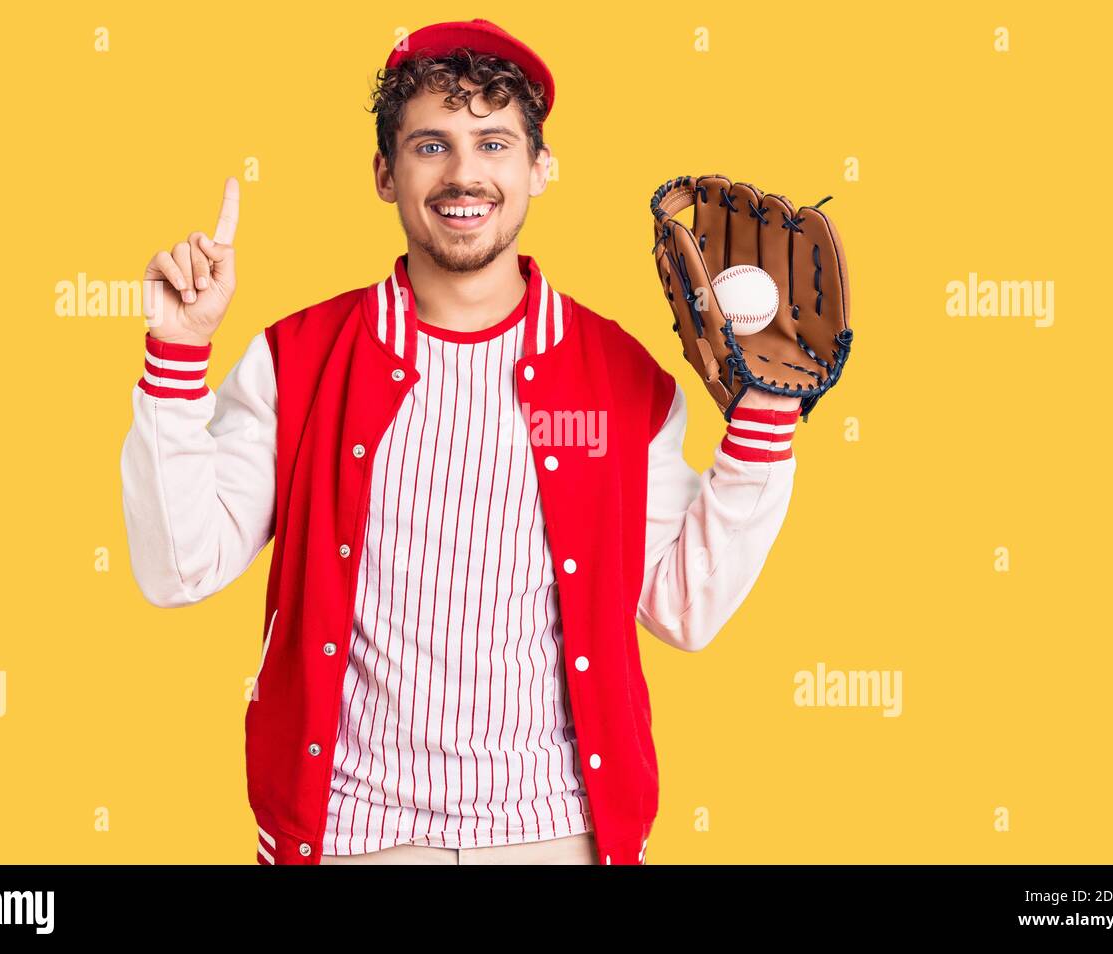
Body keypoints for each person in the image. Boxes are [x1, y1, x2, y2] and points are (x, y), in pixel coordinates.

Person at [120, 18, 801, 866]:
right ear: (384, 172)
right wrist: (178, 356)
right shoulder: (296, 362)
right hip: (351, 835)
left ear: (539, 168)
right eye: (432, 145)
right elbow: (176, 566)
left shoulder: (619, 379)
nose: (465, 173)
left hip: (554, 832)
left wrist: (765, 425)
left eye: (494, 142)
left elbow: (680, 610)